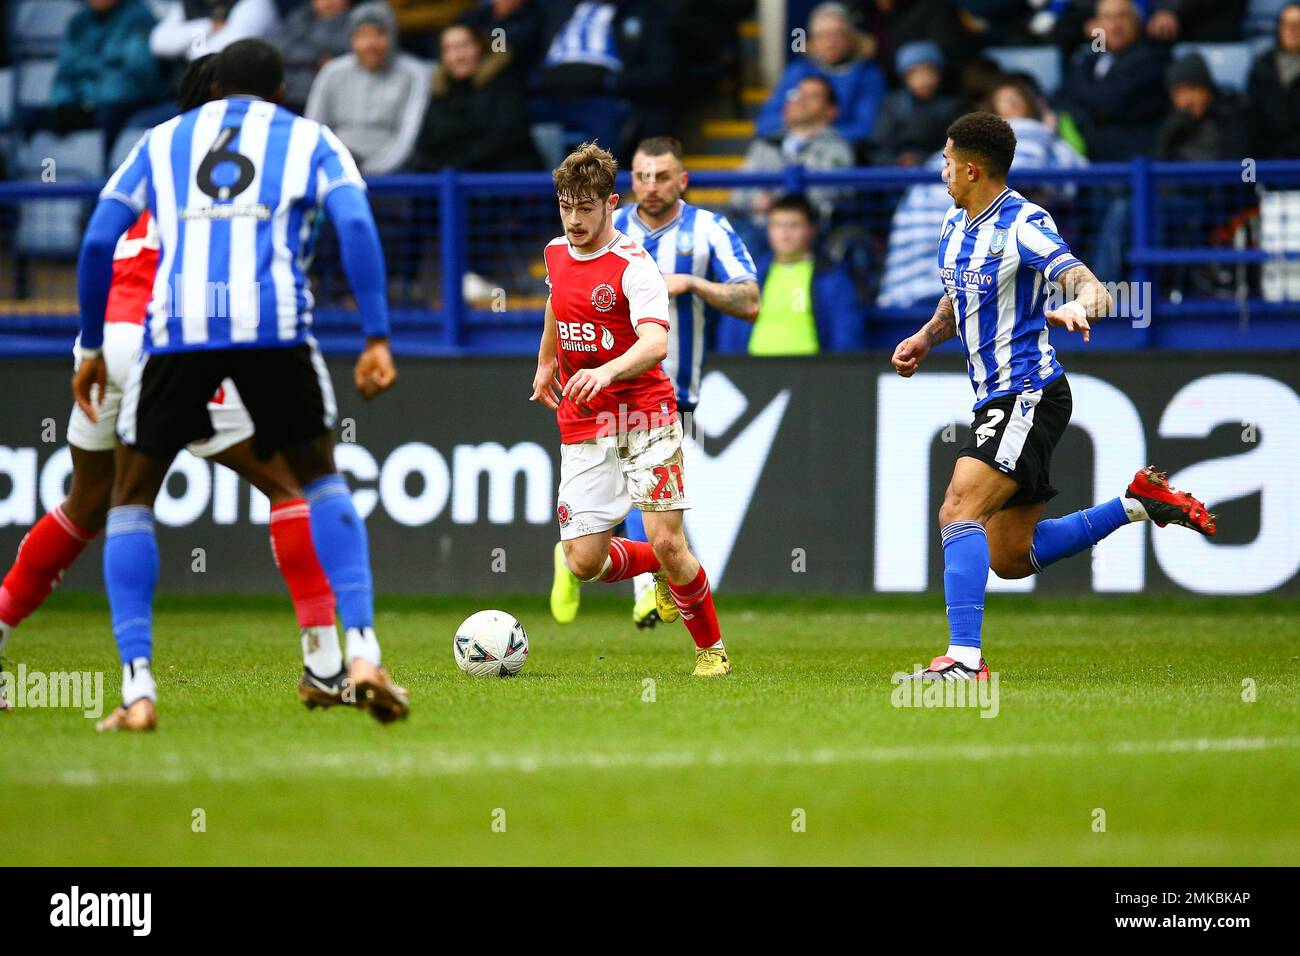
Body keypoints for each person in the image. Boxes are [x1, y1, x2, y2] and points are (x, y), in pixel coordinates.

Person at [0, 55, 350, 718]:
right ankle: (324, 663)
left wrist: (93, 345)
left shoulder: (152, 160)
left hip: (106, 339)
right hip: (177, 340)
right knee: (289, 485)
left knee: (87, 504)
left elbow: (97, 243)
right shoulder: (222, 179)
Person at [70, 39, 406, 729]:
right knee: (320, 479)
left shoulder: (160, 140)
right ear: (281, 92)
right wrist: (376, 335)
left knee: (129, 498)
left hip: (180, 329)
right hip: (273, 324)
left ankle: (138, 690)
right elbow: (354, 223)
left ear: (216, 86)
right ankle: (362, 652)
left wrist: (94, 342)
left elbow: (99, 238)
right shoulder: (311, 137)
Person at [890, 112, 1216, 681]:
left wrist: (1076, 305)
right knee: (1011, 557)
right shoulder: (953, 221)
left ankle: (965, 661)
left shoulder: (1023, 222)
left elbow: (1093, 288)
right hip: (997, 396)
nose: (940, 170)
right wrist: (925, 336)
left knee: (957, 509)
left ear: (971, 168)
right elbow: (956, 300)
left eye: (946, 160)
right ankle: (1138, 503)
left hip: (1026, 392)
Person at [529, 143, 733, 677]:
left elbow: (655, 344)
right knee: (583, 562)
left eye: (586, 208)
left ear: (611, 204)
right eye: (566, 206)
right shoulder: (554, 253)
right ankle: (666, 572)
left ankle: (710, 649)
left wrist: (605, 370)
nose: (574, 219)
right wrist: (548, 359)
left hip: (644, 414)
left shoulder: (633, 265)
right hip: (583, 420)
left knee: (668, 539)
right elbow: (556, 301)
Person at [715, 193, 861, 355]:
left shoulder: (832, 278)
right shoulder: (749, 277)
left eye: (794, 225)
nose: (785, 233)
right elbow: (730, 333)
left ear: (811, 230)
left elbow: (845, 335)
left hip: (813, 375)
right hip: (753, 374)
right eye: (777, 225)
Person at [304, 2, 429, 175]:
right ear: (351, 39)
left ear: (393, 36)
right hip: (335, 171)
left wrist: (371, 173)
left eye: (379, 34)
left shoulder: (414, 73)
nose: (370, 44)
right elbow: (315, 130)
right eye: (362, 35)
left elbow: (408, 136)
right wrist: (338, 169)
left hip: (393, 177)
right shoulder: (331, 72)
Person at [408, 23, 539, 172]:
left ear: (481, 48)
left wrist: (454, 164)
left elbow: (507, 137)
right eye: (448, 49)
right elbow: (427, 144)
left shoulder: (505, 83)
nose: (458, 56)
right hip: (452, 180)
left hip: (503, 183)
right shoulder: (439, 92)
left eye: (464, 46)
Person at [33, 0, 163, 148]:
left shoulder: (139, 17)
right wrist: (63, 105)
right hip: (85, 106)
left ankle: (107, 168)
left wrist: (90, 103)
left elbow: (137, 76)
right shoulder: (78, 23)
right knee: (36, 119)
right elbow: (65, 76)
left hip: (124, 104)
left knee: (108, 115)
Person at [756, 2, 885, 147]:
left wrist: (820, 134)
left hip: (846, 154)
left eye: (837, 34)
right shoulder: (797, 71)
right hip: (791, 148)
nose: (830, 42)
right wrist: (800, 130)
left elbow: (867, 127)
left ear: (851, 39)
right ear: (813, 41)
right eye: (822, 35)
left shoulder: (868, 75)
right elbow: (765, 123)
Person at [1057, 0, 1170, 160]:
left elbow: (1113, 100)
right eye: (1107, 17)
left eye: (1122, 16)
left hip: (1131, 161)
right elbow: (1061, 99)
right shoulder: (1090, 59)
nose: (1115, 25)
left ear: (1137, 23)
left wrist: (1080, 115)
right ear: (1096, 25)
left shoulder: (1154, 58)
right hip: (1088, 159)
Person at [738, 75, 854, 226]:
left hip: (813, 230)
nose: (801, 101)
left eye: (813, 96)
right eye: (798, 94)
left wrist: (781, 204)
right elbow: (738, 193)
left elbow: (836, 194)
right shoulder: (764, 144)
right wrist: (755, 200)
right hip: (761, 228)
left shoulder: (839, 148)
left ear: (831, 111)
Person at [868, 40, 962, 166]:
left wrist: (923, 160)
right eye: (915, 73)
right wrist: (896, 162)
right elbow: (878, 146)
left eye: (929, 72)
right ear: (904, 77)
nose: (923, 79)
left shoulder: (954, 107)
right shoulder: (893, 105)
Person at [1154, 53, 1248, 161]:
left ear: (1207, 89)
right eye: (1178, 93)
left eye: (1191, 89)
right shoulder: (1172, 125)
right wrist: (1169, 135)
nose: (1186, 101)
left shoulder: (1234, 114)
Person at [274, 0, 355, 115]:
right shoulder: (301, 17)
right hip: (290, 95)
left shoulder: (354, 20)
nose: (328, 3)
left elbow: (348, 49)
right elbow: (279, 47)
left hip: (333, 99)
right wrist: (315, 58)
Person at [1246, 2, 1300, 159]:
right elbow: (1252, 120)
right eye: (1287, 24)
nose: (1292, 30)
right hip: (1267, 158)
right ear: (1278, 28)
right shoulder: (1261, 67)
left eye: (1298, 25)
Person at [150, 0, 279, 61]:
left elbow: (213, 53)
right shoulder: (190, 5)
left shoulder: (255, 4)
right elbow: (158, 43)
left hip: (249, 92)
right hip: (198, 93)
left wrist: (186, 39)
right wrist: (208, 27)